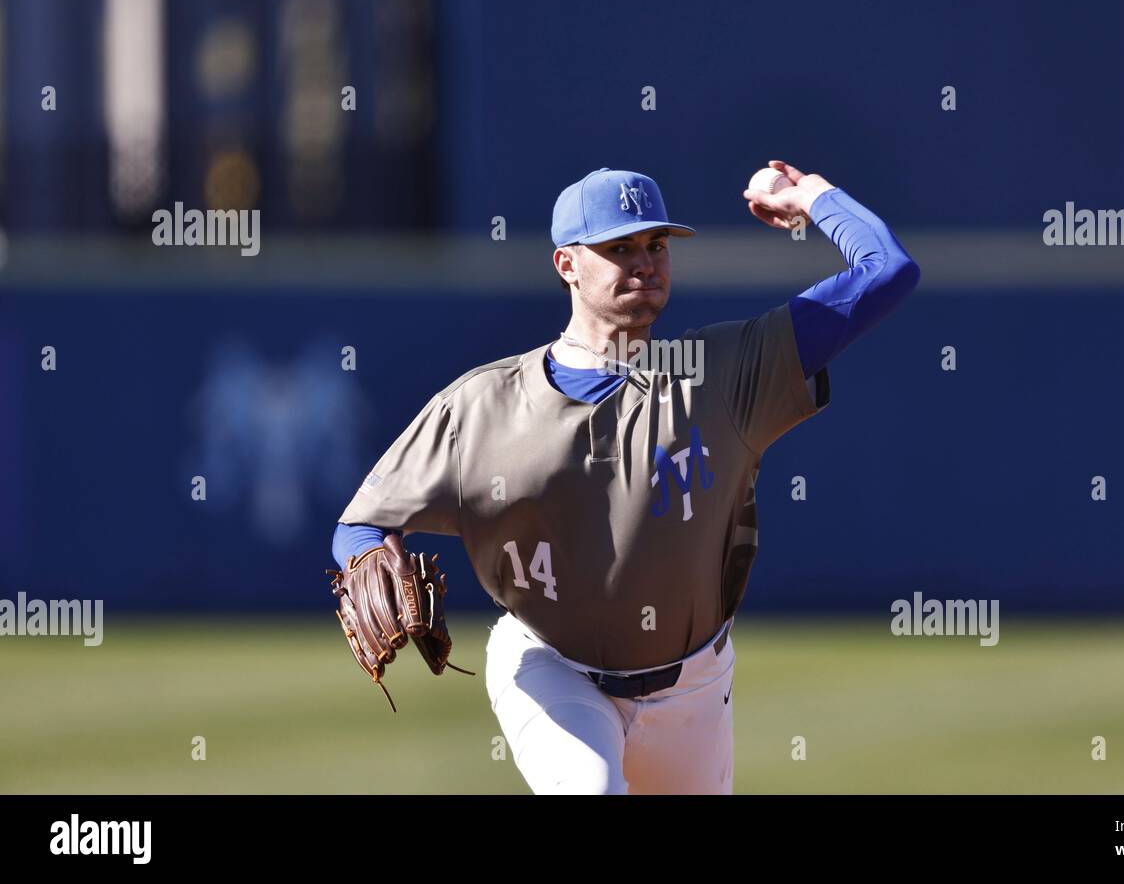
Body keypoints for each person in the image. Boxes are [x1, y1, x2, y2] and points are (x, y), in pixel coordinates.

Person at [331, 161, 920, 793]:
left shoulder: (725, 375)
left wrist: (813, 196)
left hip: (694, 687)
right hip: (552, 667)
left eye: (656, 244)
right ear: (566, 265)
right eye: (619, 247)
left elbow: (886, 270)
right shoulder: (481, 407)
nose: (645, 261)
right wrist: (370, 558)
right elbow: (361, 523)